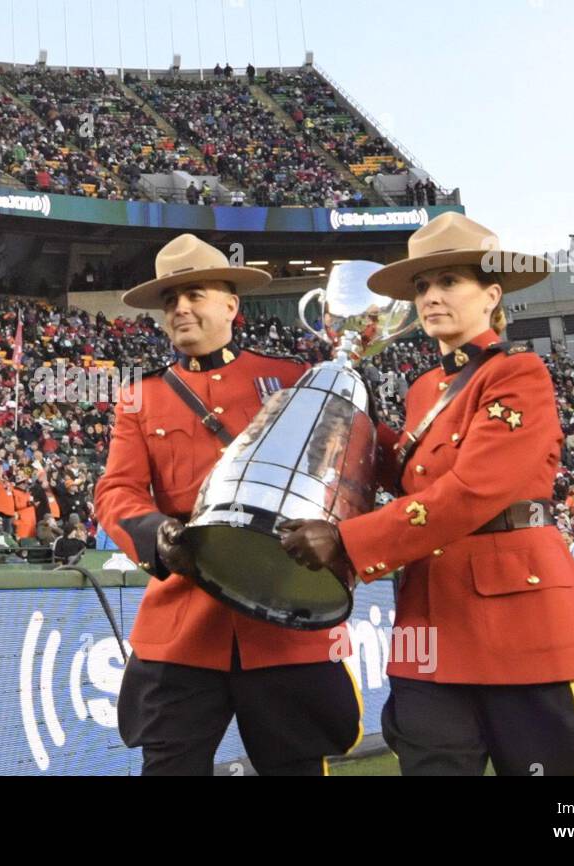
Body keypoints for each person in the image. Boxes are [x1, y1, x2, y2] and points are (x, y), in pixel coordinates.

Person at [280, 213, 574, 775]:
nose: (431, 296)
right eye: (421, 286)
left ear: (491, 296)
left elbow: (472, 490)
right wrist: (340, 410)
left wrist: (347, 540)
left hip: (518, 617)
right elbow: (410, 473)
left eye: (449, 282)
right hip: (430, 621)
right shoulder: (423, 389)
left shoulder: (519, 372)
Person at [95, 233, 360, 776]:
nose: (181, 308)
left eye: (195, 293)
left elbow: (344, 480)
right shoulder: (139, 397)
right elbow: (115, 491)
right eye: (170, 300)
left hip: (285, 615)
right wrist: (156, 537)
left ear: (231, 305)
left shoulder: (294, 380)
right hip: (184, 623)